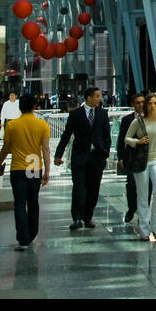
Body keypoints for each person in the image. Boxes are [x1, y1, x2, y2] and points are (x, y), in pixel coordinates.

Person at [0, 93, 51, 251]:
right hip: (34, 167)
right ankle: (32, 233)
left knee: (19, 203)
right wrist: (47, 171)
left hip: (18, 168)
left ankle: (23, 239)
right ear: (35, 106)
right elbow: (46, 150)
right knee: (33, 201)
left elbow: (6, 148)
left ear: (20, 107)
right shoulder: (42, 125)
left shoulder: (12, 125)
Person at [54, 85, 111, 231]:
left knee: (93, 189)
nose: (100, 99)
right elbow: (66, 135)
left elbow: (106, 136)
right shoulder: (76, 114)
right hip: (80, 157)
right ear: (89, 98)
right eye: (97, 96)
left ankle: (88, 217)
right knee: (79, 188)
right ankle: (77, 218)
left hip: (97, 157)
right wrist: (58, 154)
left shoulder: (103, 114)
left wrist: (105, 153)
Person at [125, 92, 156, 242]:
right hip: (141, 161)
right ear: (145, 105)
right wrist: (137, 142)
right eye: (150, 103)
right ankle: (144, 230)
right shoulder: (138, 122)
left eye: (155, 103)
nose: (152, 106)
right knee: (142, 194)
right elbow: (126, 139)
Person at [117, 93, 145, 224]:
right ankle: (131, 208)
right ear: (133, 105)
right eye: (138, 102)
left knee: (146, 186)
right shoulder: (127, 120)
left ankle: (143, 213)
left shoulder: (150, 118)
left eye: (142, 102)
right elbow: (121, 139)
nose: (141, 105)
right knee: (131, 185)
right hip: (131, 157)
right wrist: (121, 157)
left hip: (146, 157)